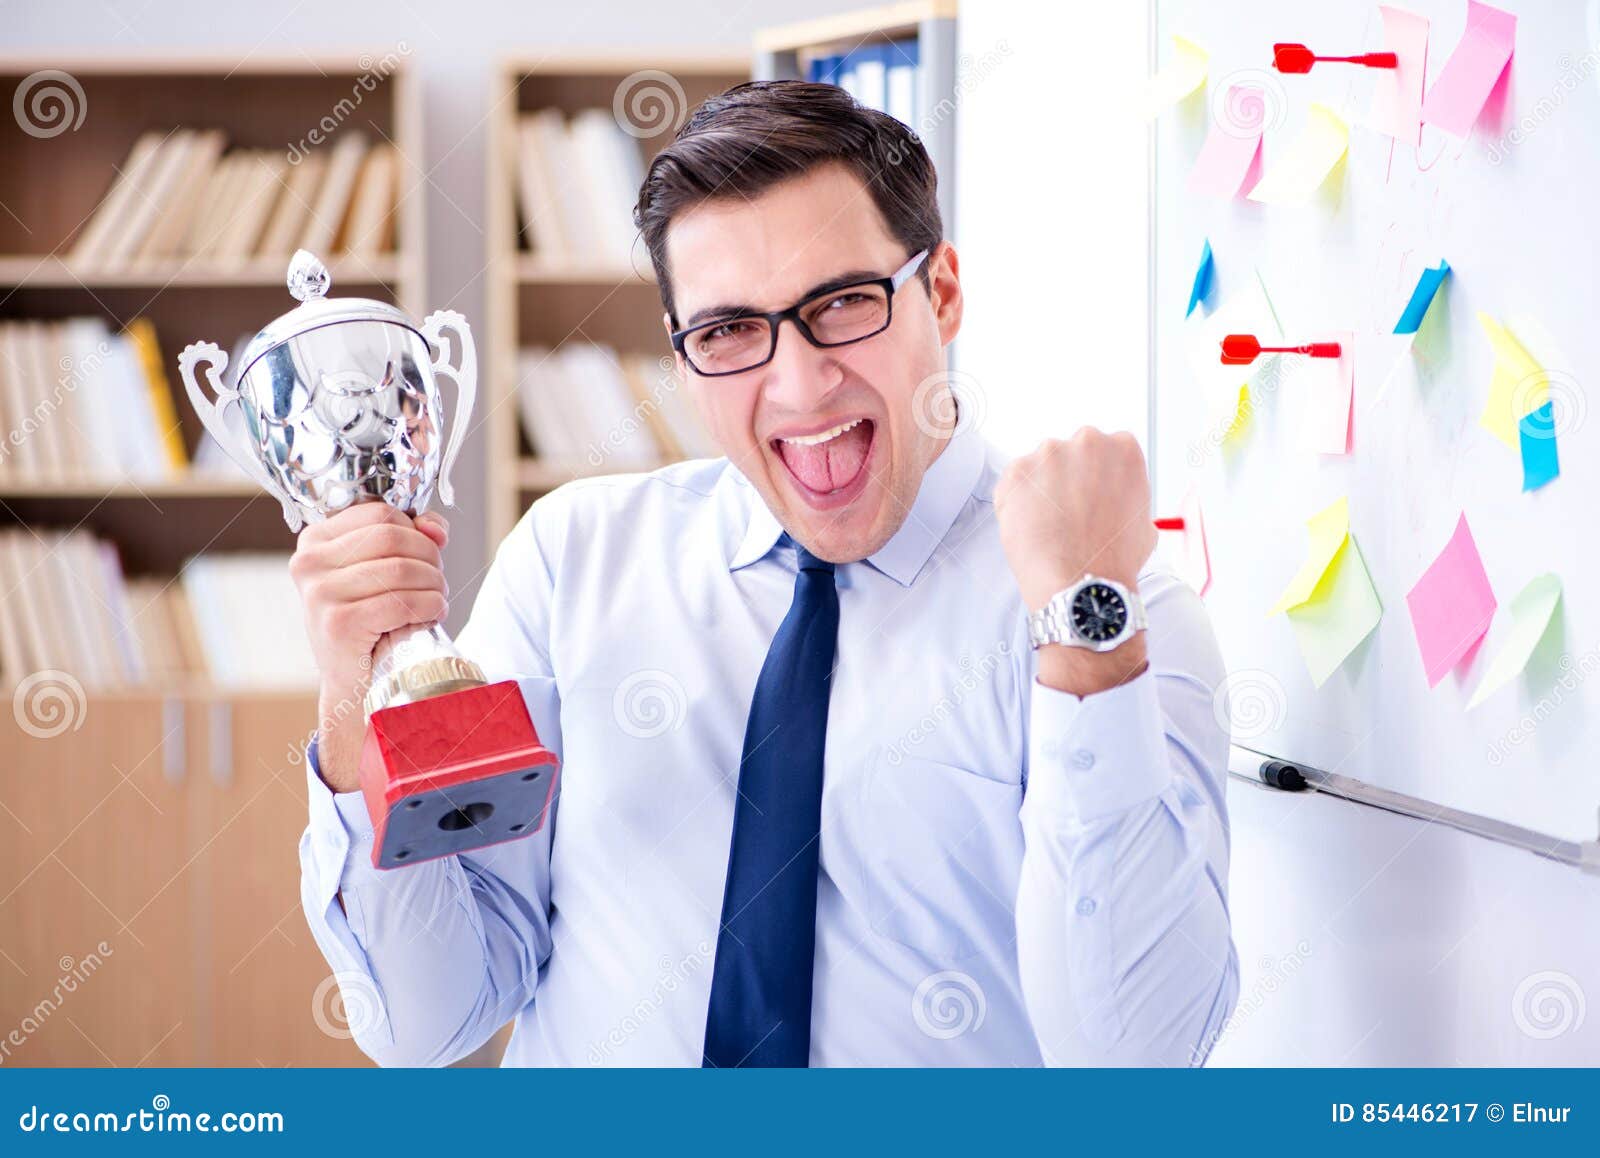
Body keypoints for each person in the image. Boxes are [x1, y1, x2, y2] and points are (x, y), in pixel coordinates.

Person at [293, 80, 1238, 1067]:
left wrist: (1086, 641)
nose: (798, 384)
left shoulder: (1110, 613)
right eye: (728, 332)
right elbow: (427, 1022)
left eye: (842, 304)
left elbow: (1133, 1059)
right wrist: (356, 704)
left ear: (942, 293)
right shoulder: (569, 564)